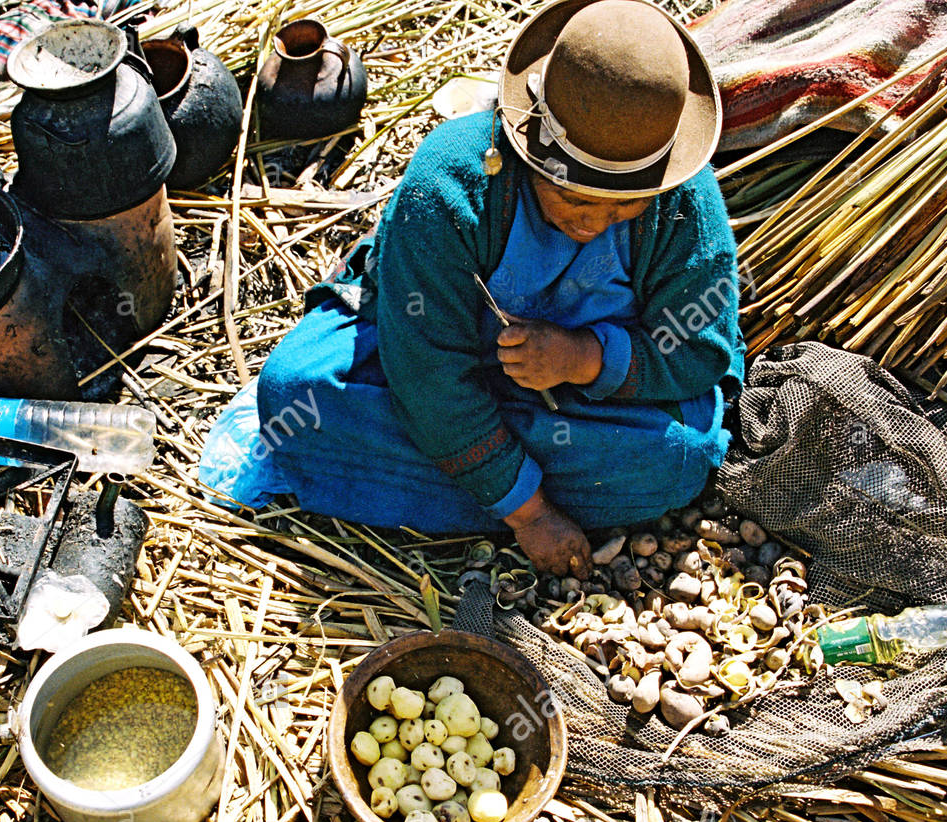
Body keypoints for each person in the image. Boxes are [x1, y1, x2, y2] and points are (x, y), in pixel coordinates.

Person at [199, 0, 744, 578]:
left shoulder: (680, 197)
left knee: (679, 461)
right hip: (445, 362)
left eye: (623, 207)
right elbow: (426, 368)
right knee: (295, 398)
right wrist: (530, 514)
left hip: (590, 395)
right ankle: (508, 474)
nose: (593, 224)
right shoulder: (449, 183)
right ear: (529, 149)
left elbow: (699, 349)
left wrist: (582, 358)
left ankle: (447, 470)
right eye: (575, 200)